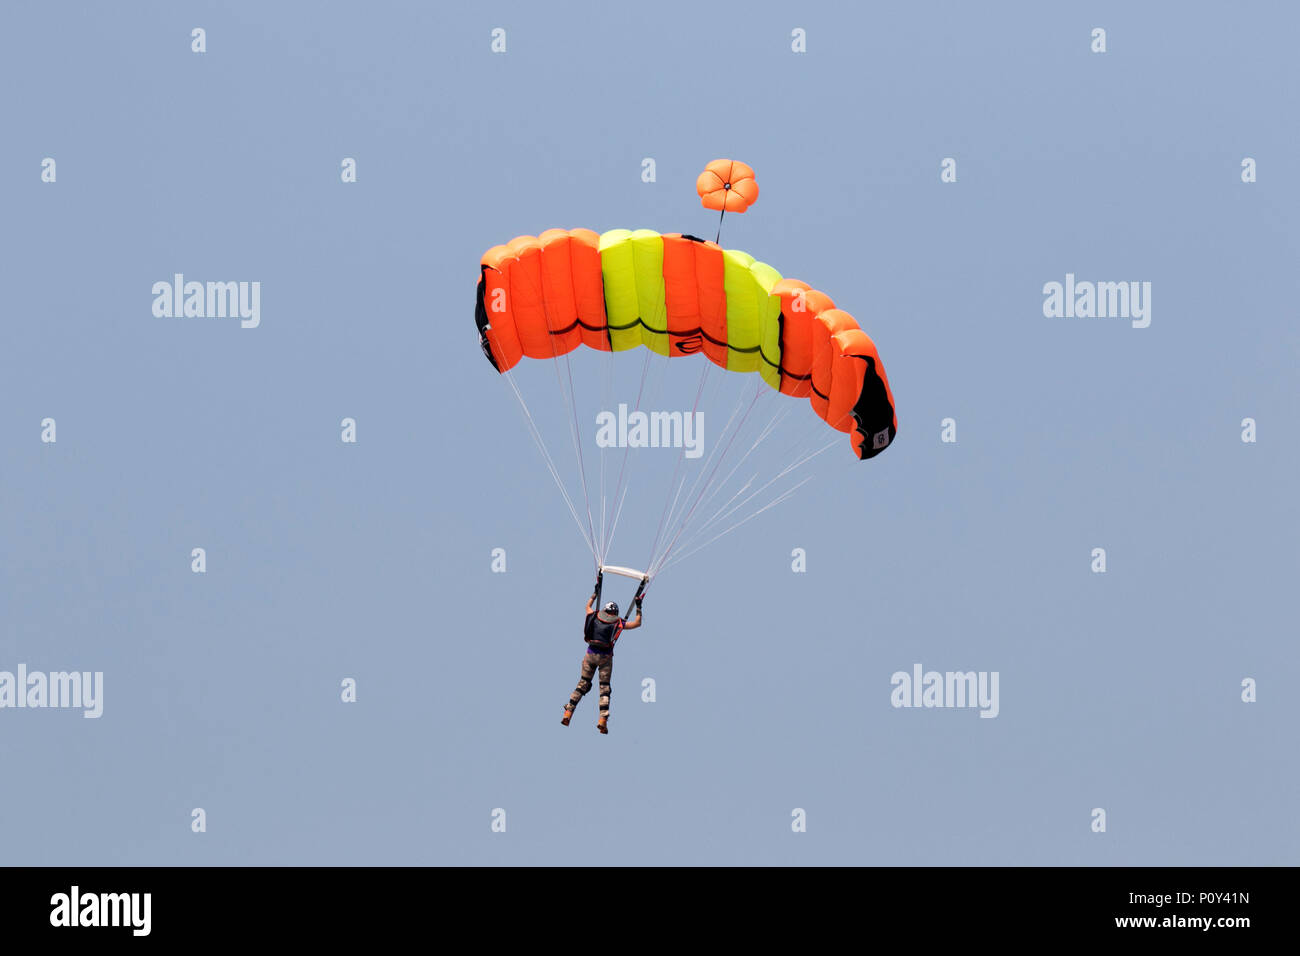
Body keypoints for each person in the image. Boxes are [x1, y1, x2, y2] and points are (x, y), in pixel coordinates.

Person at [562, 571, 643, 734]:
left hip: (590, 655)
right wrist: (639, 606)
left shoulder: (594, 615)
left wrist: (595, 592)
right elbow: (637, 623)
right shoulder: (619, 623)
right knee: (604, 688)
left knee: (583, 683)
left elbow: (587, 607)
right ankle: (602, 719)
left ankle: (568, 712)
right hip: (605, 658)